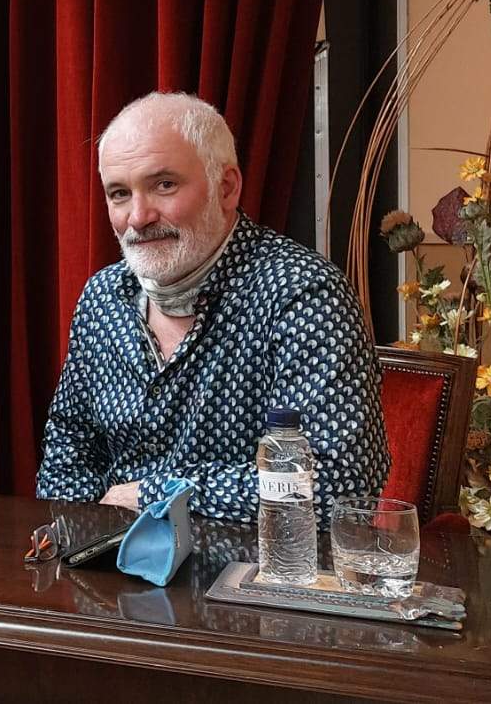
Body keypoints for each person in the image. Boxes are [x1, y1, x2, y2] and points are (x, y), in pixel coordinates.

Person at [35, 93, 388, 522]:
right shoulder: (103, 296)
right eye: (119, 193)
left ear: (227, 187)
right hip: (111, 567)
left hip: (251, 578)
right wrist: (76, 547)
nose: (138, 216)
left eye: (163, 185)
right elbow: (66, 453)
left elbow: (336, 482)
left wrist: (154, 496)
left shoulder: (303, 293)